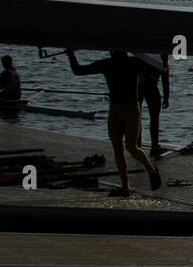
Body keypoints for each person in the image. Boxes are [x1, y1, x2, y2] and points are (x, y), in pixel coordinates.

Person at [67, 49, 162, 196]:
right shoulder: (134, 62)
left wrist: (71, 56)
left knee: (120, 148)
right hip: (130, 108)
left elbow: (78, 71)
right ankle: (148, 173)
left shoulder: (107, 64)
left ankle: (128, 186)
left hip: (118, 109)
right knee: (131, 147)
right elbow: (158, 68)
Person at [140, 53, 171, 156]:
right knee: (154, 118)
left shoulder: (146, 57)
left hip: (139, 86)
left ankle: (137, 143)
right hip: (151, 87)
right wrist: (166, 97)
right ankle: (154, 146)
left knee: (137, 116)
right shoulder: (161, 62)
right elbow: (165, 80)